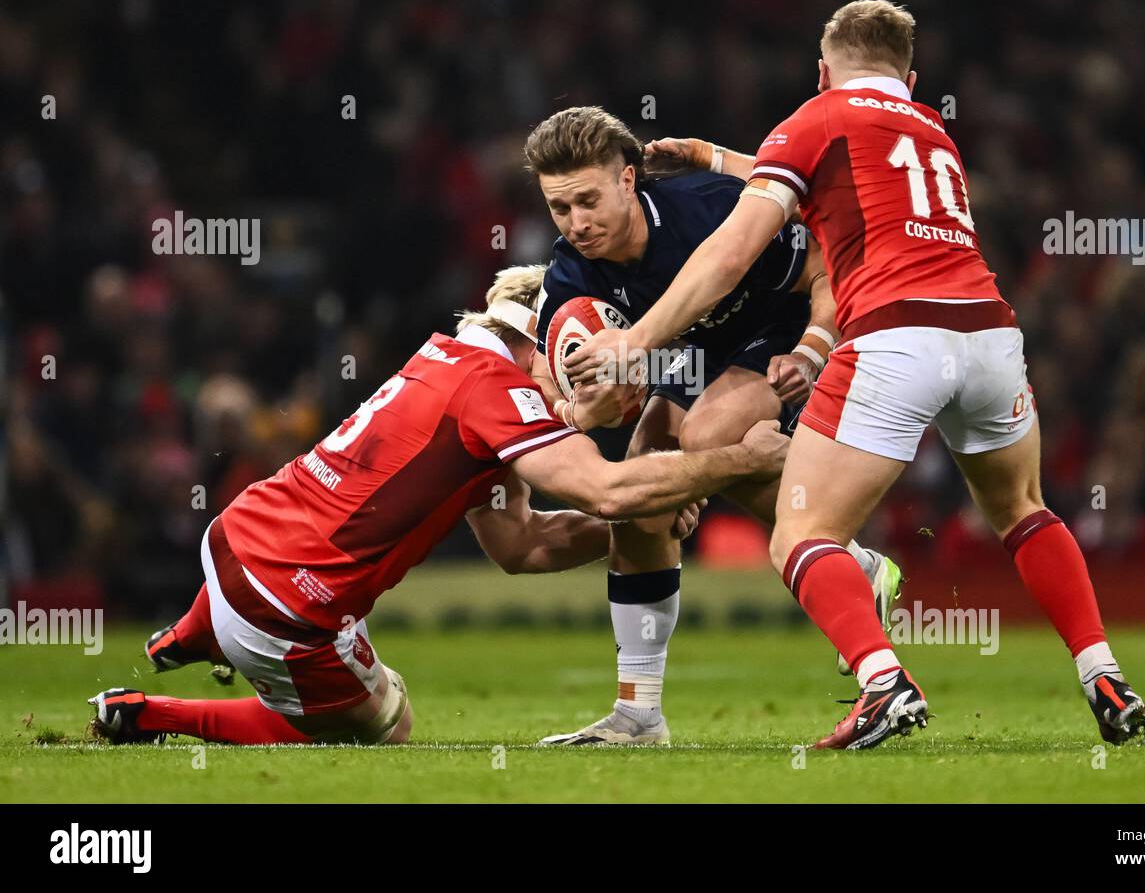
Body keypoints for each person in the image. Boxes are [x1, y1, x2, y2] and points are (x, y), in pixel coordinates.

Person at [568, 0, 1145, 750]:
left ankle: (883, 683)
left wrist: (636, 338)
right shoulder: (930, 132)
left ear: (823, 72)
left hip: (894, 337)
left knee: (802, 533)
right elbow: (835, 194)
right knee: (1023, 509)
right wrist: (720, 159)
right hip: (988, 333)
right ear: (911, 77)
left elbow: (729, 252)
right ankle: (1103, 673)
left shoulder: (814, 118)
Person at [87, 266, 787, 745]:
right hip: (287, 607)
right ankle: (152, 716)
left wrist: (625, 532)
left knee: (278, 589)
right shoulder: (497, 390)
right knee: (390, 720)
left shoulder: (447, 360)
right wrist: (727, 466)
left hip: (235, 540)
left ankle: (187, 634)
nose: (598, 376)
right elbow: (603, 488)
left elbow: (519, 545)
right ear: (542, 338)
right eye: (583, 354)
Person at [520, 107, 902, 746]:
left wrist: (811, 347)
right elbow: (546, 368)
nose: (577, 223)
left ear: (629, 180)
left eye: (588, 201)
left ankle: (840, 547)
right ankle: (639, 715)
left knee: (702, 440)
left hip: (780, 335)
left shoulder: (710, 208)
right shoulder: (570, 271)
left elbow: (827, 264)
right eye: (560, 210)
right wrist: (580, 404)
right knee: (642, 493)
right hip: (695, 356)